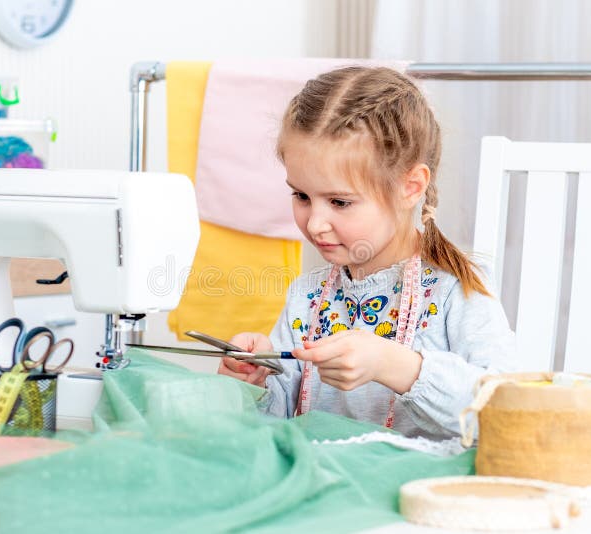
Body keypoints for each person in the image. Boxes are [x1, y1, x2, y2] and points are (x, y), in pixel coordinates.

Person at [218, 66, 516, 440]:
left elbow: (502, 410)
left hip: (418, 477)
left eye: (340, 202)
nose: (315, 224)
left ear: (410, 187)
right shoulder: (306, 296)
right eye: (302, 196)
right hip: (323, 473)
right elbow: (278, 424)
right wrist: (258, 381)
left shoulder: (458, 289)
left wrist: (397, 366)